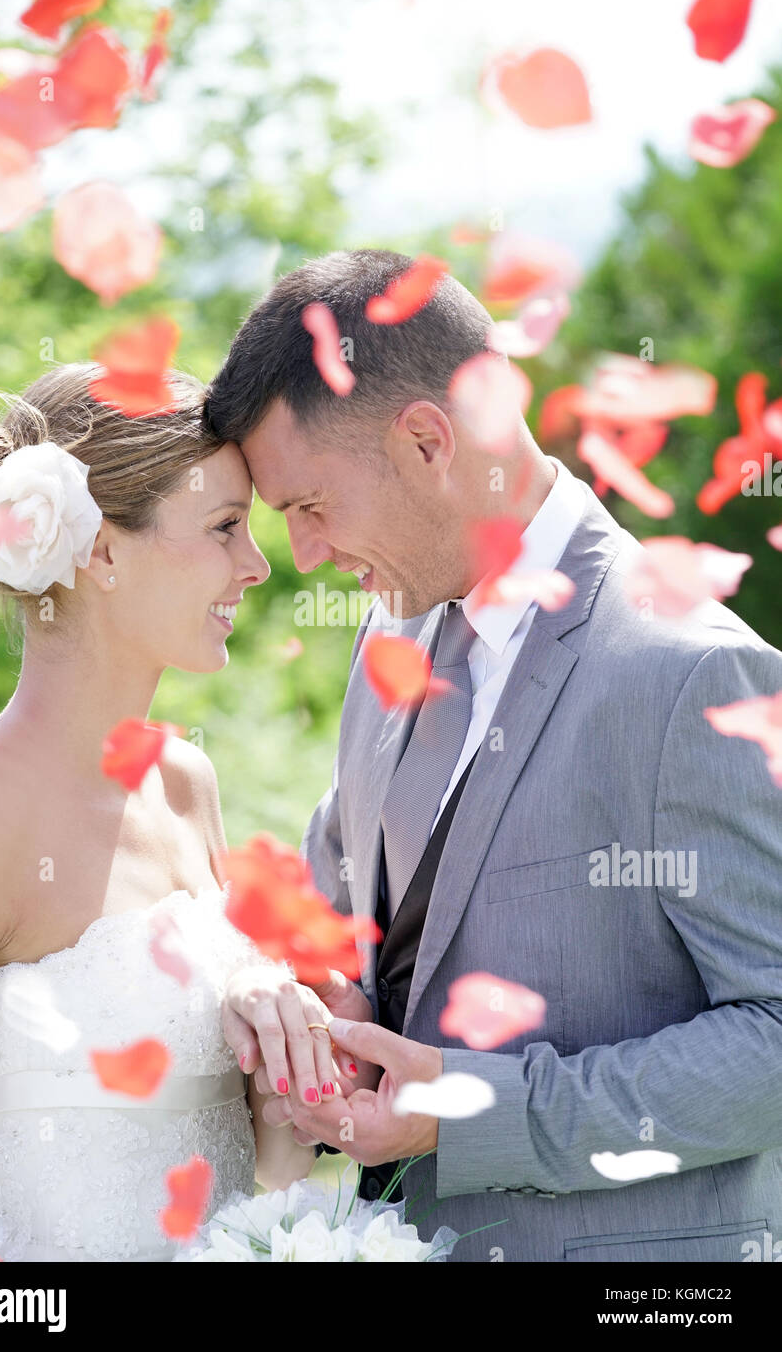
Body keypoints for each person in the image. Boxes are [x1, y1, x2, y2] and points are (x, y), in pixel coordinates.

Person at [214, 249, 782, 1262]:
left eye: (307, 505)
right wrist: (326, 1000)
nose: (301, 553)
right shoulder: (385, 646)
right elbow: (341, 917)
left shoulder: (691, 673)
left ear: (427, 441)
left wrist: (466, 1111)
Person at [0, 362, 343, 1262]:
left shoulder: (187, 785)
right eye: (225, 529)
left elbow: (264, 1165)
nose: (256, 565)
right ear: (102, 551)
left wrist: (286, 1046)